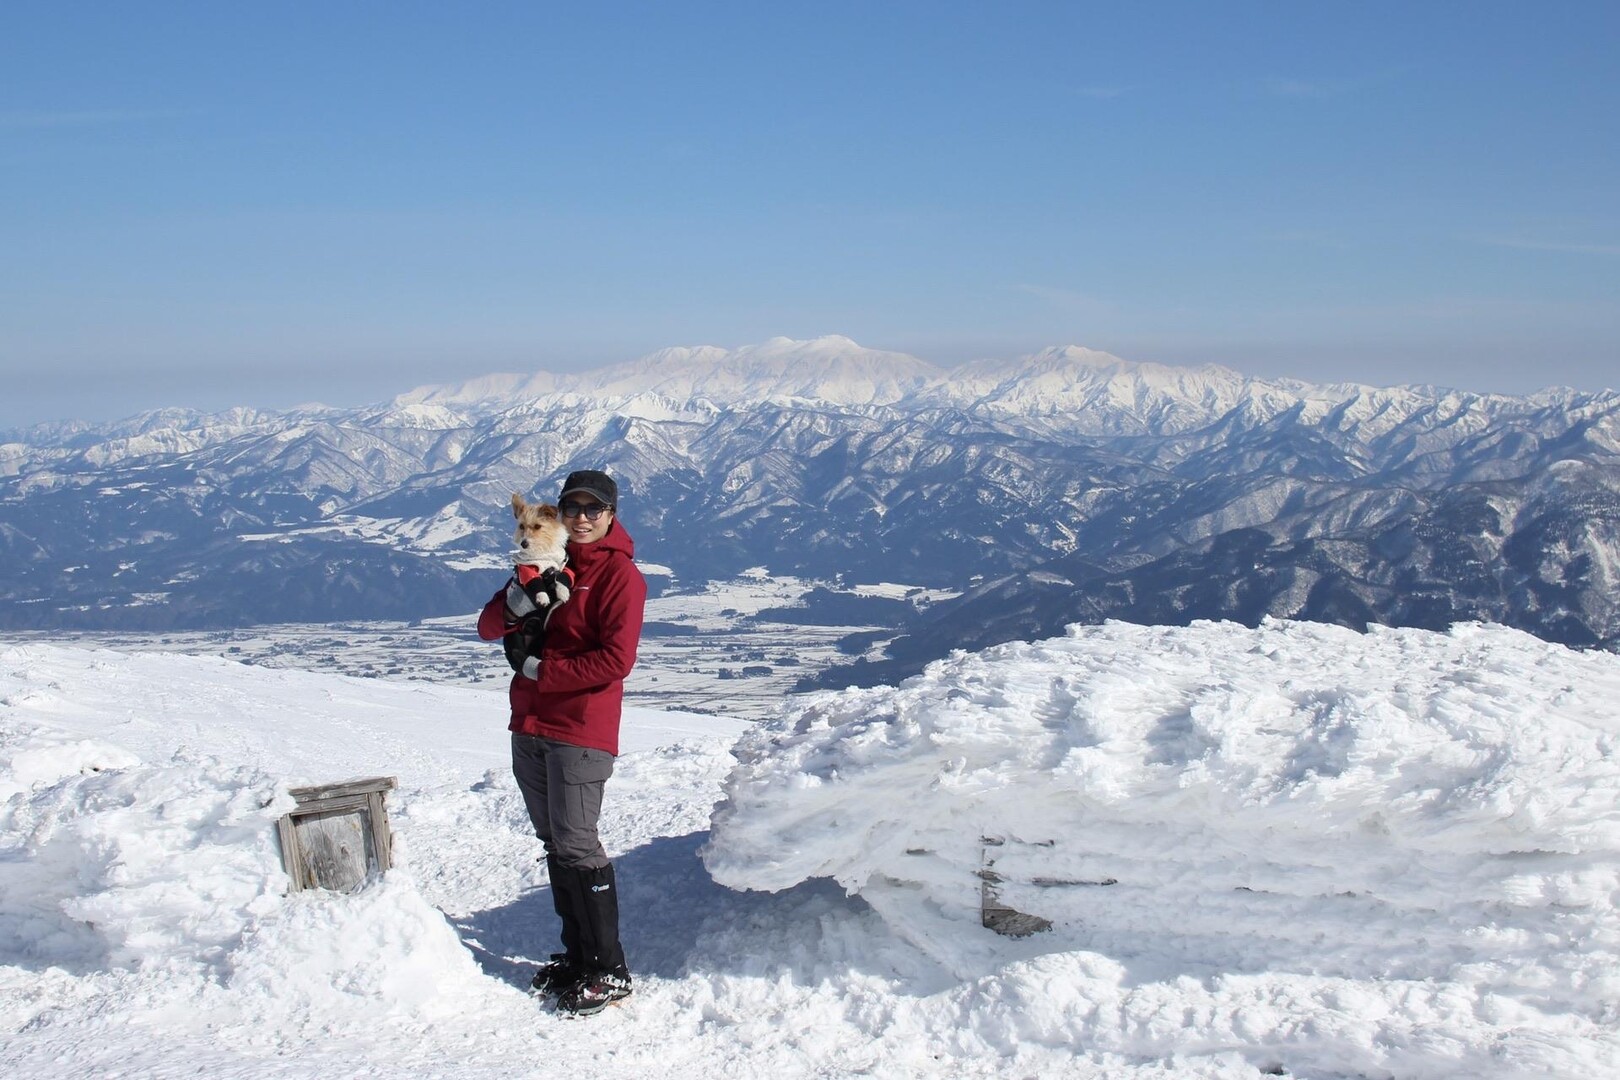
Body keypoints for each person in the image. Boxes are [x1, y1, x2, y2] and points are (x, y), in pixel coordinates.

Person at [477, 469, 647, 1016]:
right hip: (530, 725)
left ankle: (609, 969)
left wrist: (540, 668)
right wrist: (515, 607)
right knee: (556, 843)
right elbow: (486, 627)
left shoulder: (621, 577)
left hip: (580, 728)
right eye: (571, 508)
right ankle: (578, 958)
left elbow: (615, 661)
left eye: (592, 510)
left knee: (577, 843)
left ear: (610, 514)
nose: (580, 518)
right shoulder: (549, 559)